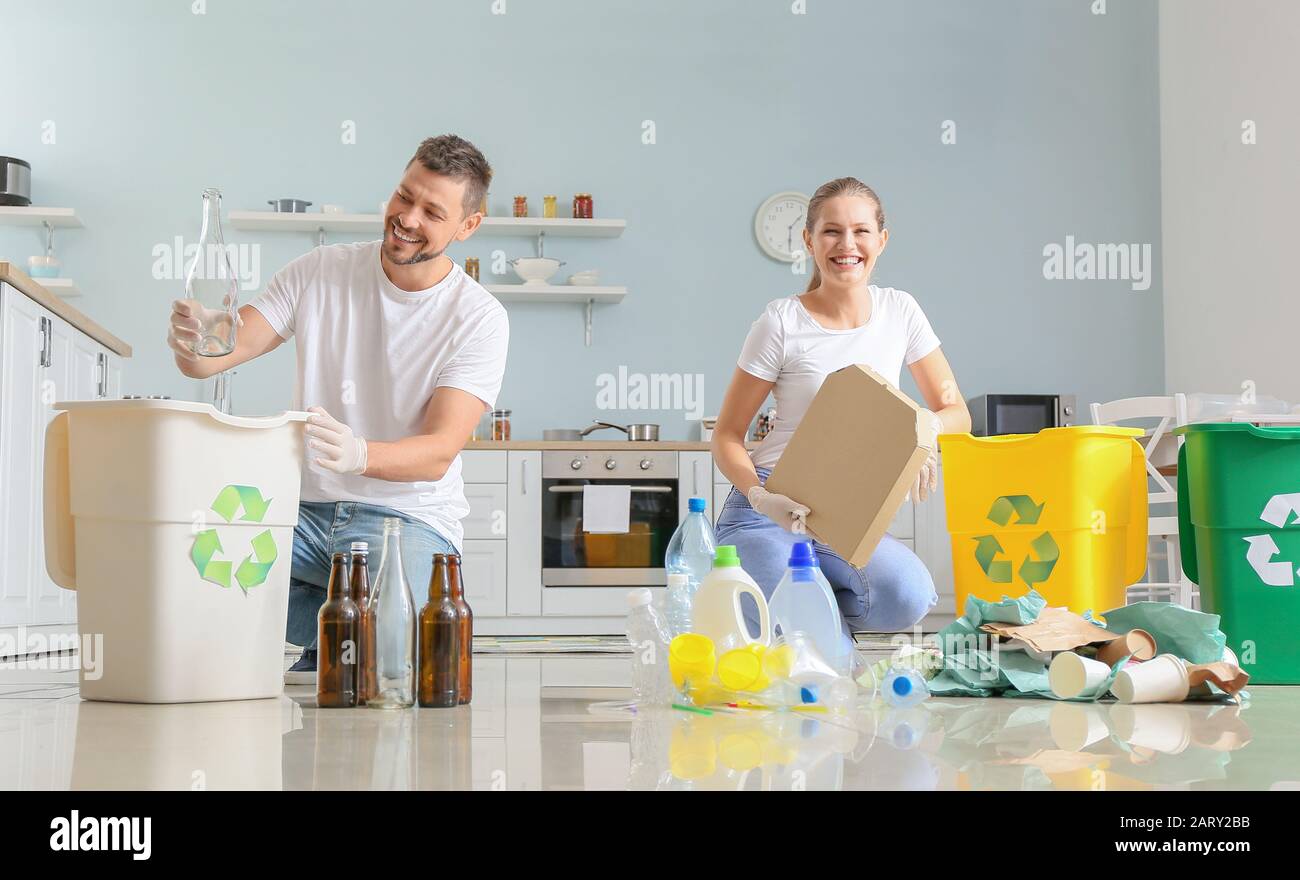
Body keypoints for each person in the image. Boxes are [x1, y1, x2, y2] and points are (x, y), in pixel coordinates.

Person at [168, 134, 508, 678]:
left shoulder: (479, 318)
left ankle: (337, 634)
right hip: (303, 514)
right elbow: (216, 355)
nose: (407, 217)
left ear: (467, 226)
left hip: (406, 519)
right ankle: (334, 630)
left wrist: (358, 454)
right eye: (404, 196)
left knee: (390, 659)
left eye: (432, 211)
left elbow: (438, 452)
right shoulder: (319, 271)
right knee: (187, 563)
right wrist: (195, 340)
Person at [711, 177, 970, 639]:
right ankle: (794, 621)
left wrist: (925, 430)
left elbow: (956, 412)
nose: (846, 244)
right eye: (831, 231)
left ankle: (800, 621)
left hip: (848, 515)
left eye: (860, 231)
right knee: (802, 617)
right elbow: (728, 434)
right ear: (809, 240)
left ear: (881, 240)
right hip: (770, 506)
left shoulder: (901, 312)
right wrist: (761, 497)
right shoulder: (781, 322)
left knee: (907, 595)